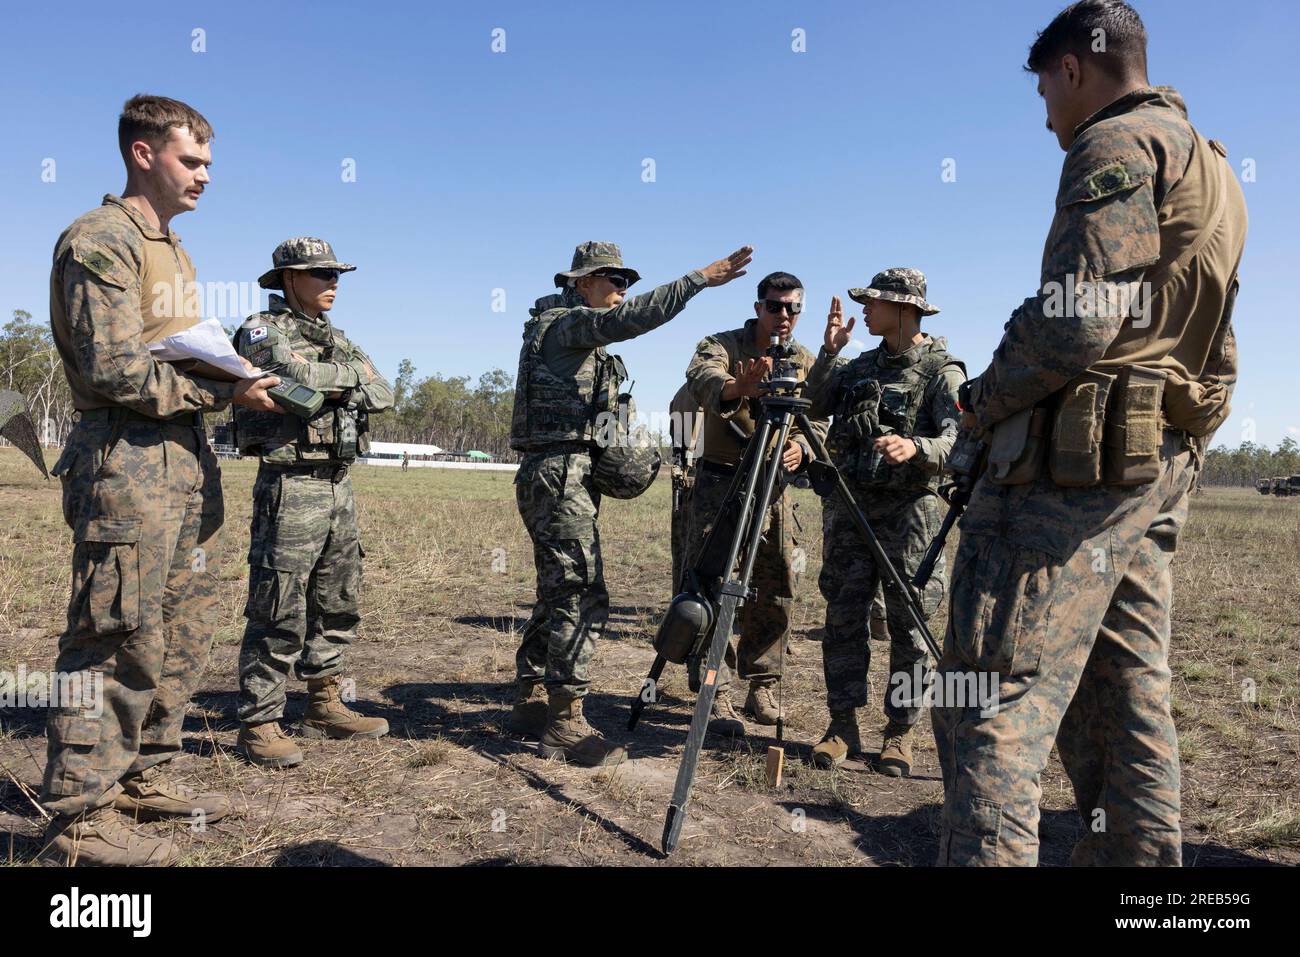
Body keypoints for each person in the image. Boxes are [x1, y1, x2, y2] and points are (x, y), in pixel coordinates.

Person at [934, 0, 1247, 865]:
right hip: (1153, 467)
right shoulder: (1216, 170)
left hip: (1074, 476)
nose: (1043, 112)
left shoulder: (1114, 145)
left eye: (1043, 88)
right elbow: (1217, 344)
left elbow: (1076, 325)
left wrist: (984, 395)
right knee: (1127, 699)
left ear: (1073, 67)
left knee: (989, 704)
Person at [41, 94, 282, 866]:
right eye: (192, 159)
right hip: (126, 458)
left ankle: (142, 770)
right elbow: (112, 367)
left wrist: (225, 372)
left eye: (208, 162)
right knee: (113, 632)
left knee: (181, 624)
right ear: (143, 153)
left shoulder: (172, 249)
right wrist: (223, 389)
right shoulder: (99, 240)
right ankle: (78, 814)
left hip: (183, 460)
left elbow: (169, 351)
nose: (206, 175)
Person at [508, 240, 753, 765]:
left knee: (558, 586)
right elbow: (633, 321)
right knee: (581, 591)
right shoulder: (566, 327)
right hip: (558, 474)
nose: (621, 290)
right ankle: (564, 722)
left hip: (567, 472)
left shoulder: (578, 342)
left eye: (626, 282)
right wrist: (696, 281)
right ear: (579, 283)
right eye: (611, 280)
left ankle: (530, 695)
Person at [231, 238, 394, 768]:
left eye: (336, 273)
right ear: (287, 278)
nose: (333, 282)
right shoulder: (261, 331)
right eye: (321, 273)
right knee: (279, 601)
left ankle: (324, 703)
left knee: (338, 594)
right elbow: (294, 378)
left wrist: (334, 382)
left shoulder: (337, 338)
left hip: (337, 480)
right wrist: (346, 381)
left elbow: (385, 391)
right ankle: (260, 721)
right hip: (290, 480)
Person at [804, 270, 965, 773]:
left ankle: (900, 732)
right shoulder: (859, 366)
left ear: (904, 309)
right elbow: (813, 404)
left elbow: (960, 439)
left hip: (909, 515)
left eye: (874, 303)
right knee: (844, 616)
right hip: (850, 510)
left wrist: (916, 446)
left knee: (909, 625)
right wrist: (829, 353)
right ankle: (841, 725)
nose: (866, 310)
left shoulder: (942, 370)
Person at [683, 271, 828, 736]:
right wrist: (737, 389)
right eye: (774, 306)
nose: (783, 316)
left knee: (774, 582)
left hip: (774, 485)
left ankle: (762, 682)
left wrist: (804, 449)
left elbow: (825, 417)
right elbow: (701, 376)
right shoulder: (723, 344)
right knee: (713, 581)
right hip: (721, 482)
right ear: (757, 306)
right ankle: (714, 685)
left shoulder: (806, 361)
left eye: (792, 309)